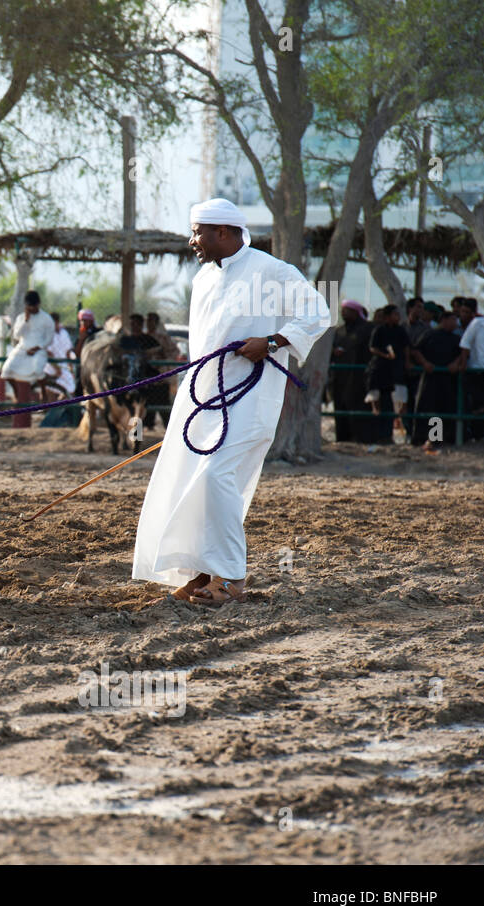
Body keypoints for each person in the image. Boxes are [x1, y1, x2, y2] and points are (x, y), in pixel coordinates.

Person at [132, 198, 332, 606]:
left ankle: (232, 578)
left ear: (222, 231)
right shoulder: (203, 279)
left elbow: (317, 313)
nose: (192, 241)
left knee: (216, 479)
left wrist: (272, 341)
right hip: (201, 399)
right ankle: (202, 573)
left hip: (251, 398)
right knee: (190, 483)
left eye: (196, 231)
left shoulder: (273, 272)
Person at [411, 307, 467, 451]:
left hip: (448, 380)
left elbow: (464, 352)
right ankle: (428, 438)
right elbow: (416, 350)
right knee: (430, 408)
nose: (455, 323)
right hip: (430, 378)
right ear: (444, 320)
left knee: (445, 407)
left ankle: (442, 438)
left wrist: (456, 363)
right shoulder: (429, 335)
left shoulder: (456, 338)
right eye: (453, 320)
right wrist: (424, 363)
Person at [0, 291, 56, 428]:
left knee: (37, 369)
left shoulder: (47, 318)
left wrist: (38, 348)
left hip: (39, 350)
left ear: (38, 304)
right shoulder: (21, 317)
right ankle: (17, 394)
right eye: (29, 307)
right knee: (6, 370)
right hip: (23, 348)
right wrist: (25, 320)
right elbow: (17, 335)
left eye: (34, 306)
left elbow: (49, 338)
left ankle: (43, 393)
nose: (32, 309)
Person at [365, 305, 410, 445]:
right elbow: (373, 347)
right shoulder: (379, 330)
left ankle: (396, 434)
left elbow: (406, 347)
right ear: (388, 316)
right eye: (395, 314)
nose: (398, 317)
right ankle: (380, 435)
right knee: (380, 404)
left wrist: (407, 362)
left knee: (399, 404)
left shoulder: (401, 331)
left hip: (396, 372)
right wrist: (384, 355)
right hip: (381, 372)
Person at [330, 300, 372, 443]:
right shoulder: (339, 331)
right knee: (341, 407)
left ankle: (359, 439)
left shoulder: (367, 329)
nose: (343, 313)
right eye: (342, 310)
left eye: (347, 310)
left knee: (358, 409)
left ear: (355, 312)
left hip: (359, 378)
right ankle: (342, 439)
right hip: (340, 377)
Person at [458, 302, 484, 440]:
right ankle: (477, 436)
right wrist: (463, 363)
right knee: (477, 404)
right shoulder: (477, 324)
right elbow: (465, 343)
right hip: (477, 371)